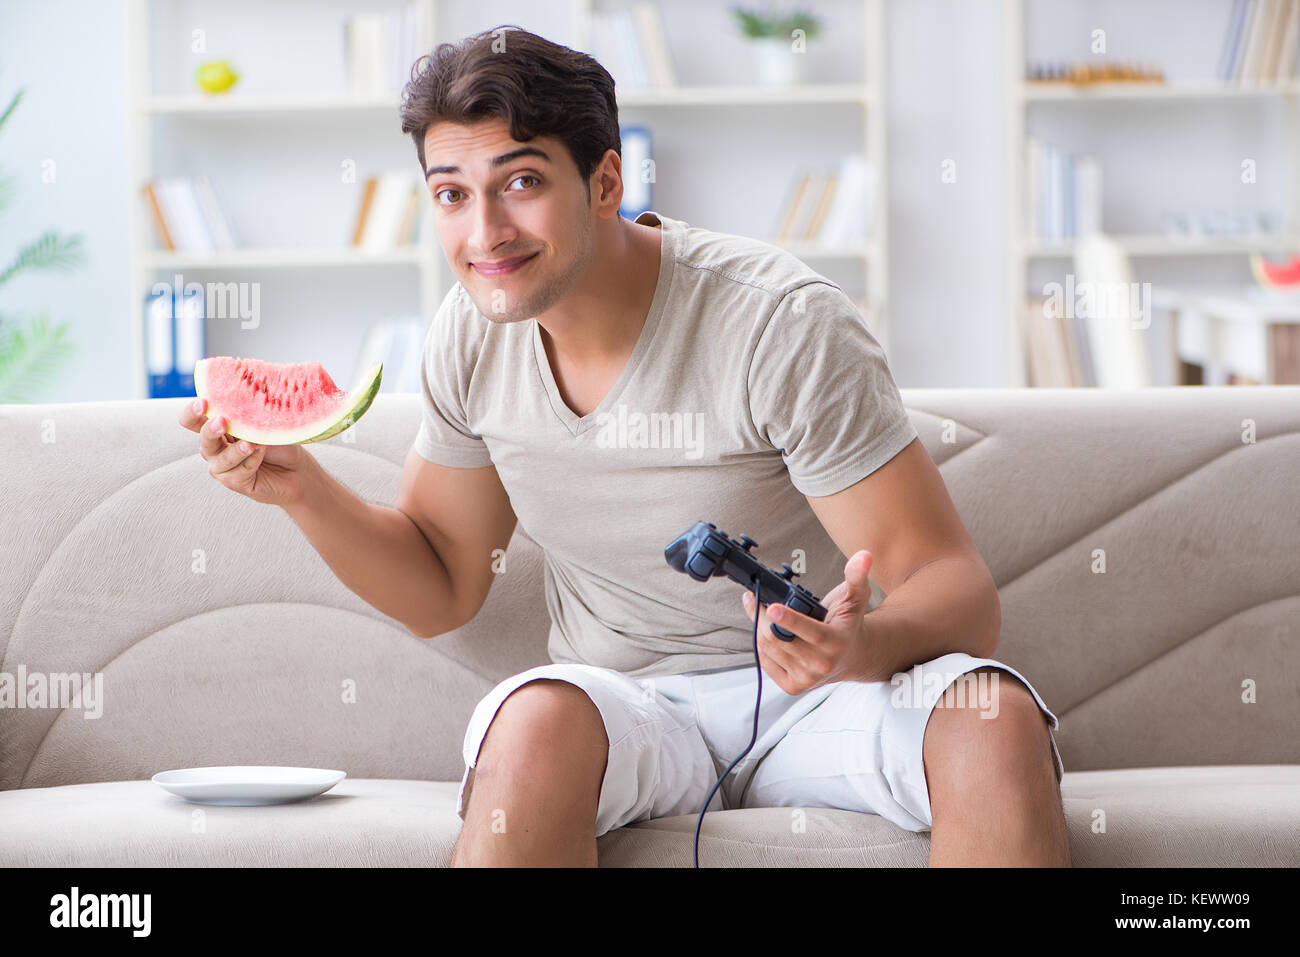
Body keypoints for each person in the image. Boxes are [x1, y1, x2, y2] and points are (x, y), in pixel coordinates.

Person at [181, 24, 1069, 868]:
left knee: (994, 719)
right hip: (629, 708)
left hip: (828, 698)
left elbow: (957, 589)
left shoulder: (779, 324)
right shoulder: (468, 336)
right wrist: (300, 486)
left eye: (521, 183)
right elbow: (442, 583)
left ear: (605, 182)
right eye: (452, 193)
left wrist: (857, 646)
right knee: (532, 726)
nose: (484, 232)